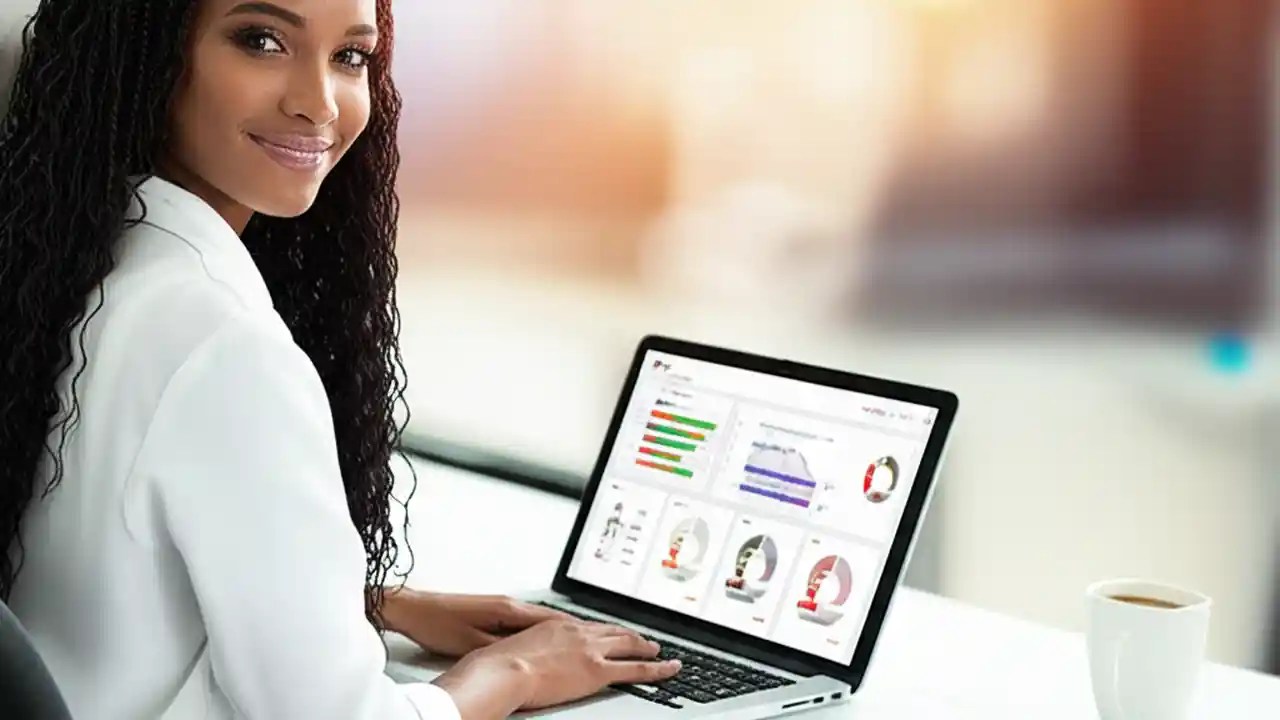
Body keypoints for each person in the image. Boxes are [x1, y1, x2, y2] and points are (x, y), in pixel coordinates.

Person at [0, 1, 680, 719]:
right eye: (261, 41)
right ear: (145, 52)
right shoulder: (226, 348)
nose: (318, 102)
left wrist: (373, 604)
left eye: (350, 57)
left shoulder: (74, 263)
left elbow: (97, 570)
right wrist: (513, 671)